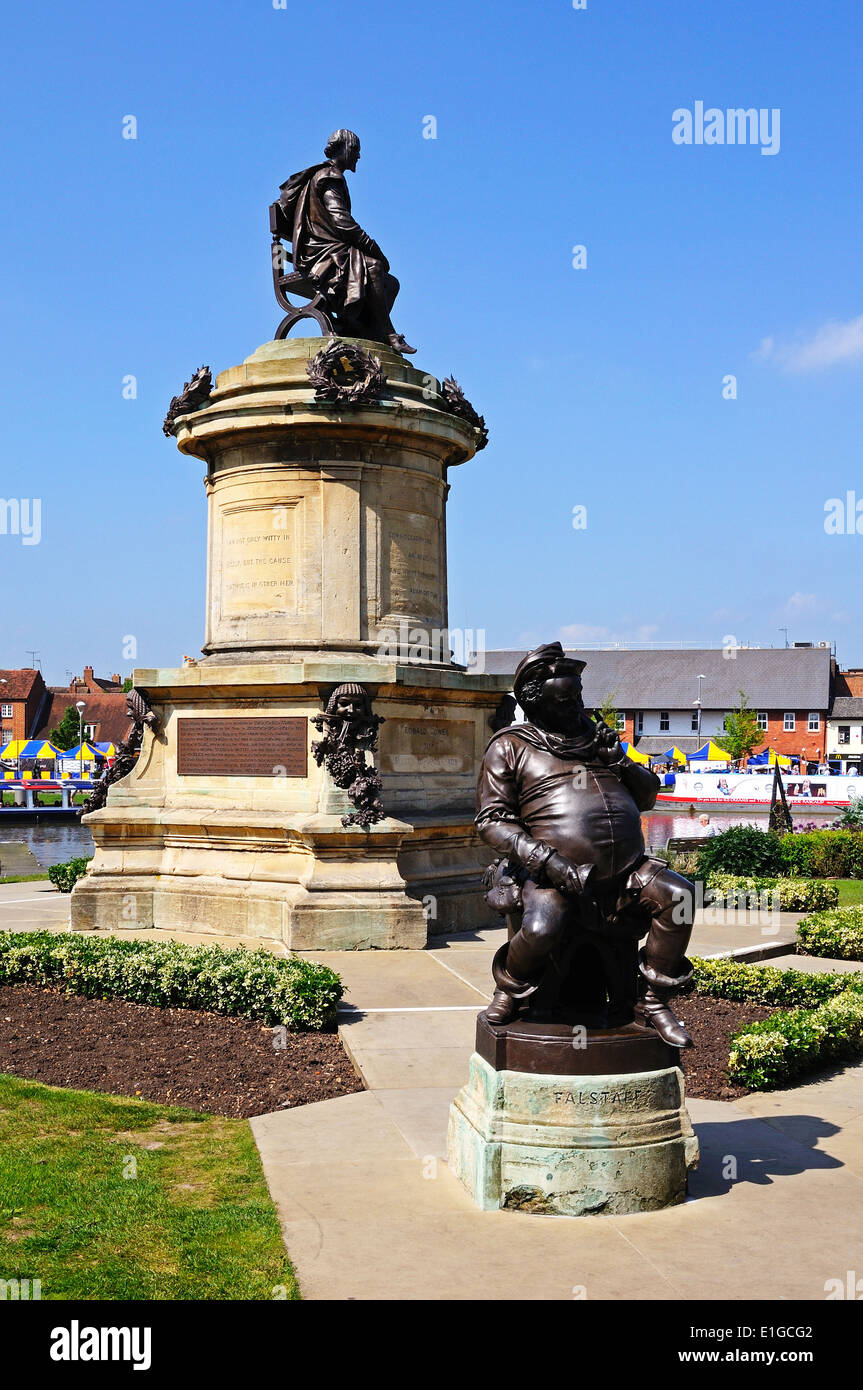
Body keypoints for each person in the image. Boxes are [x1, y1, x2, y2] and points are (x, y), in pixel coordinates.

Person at [475, 643, 695, 1047]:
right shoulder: (511, 746)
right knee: (542, 927)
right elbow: (491, 822)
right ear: (536, 701)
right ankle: (510, 986)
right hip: (553, 873)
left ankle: (652, 1001)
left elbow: (648, 798)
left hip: (627, 871)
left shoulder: (598, 739)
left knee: (679, 896)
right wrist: (548, 861)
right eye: (565, 700)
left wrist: (622, 763)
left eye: (578, 695)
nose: (576, 706)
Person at [276, 130, 416, 355]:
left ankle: (366, 333)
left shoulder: (327, 175)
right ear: (340, 148)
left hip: (327, 249)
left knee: (392, 283)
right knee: (374, 266)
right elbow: (342, 223)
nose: (358, 155)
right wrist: (374, 249)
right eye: (354, 149)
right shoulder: (329, 177)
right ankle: (389, 334)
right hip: (320, 253)